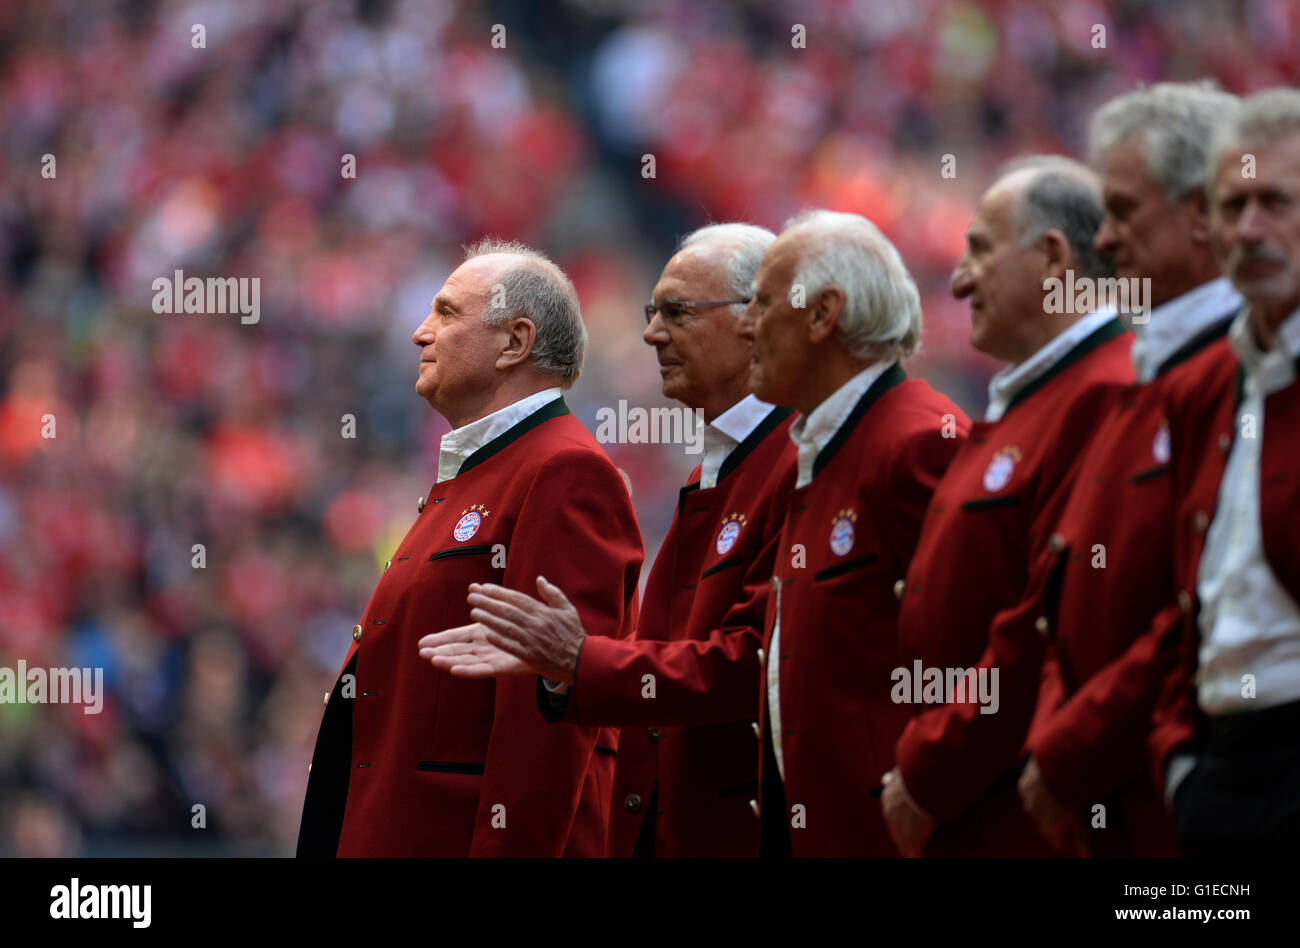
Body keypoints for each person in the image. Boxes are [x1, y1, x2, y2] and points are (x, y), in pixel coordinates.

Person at [419, 223, 798, 857]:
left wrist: (580, 663)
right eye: (652, 313)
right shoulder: (718, 468)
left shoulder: (794, 461)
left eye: (676, 312)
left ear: (755, 320)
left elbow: (752, 665)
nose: (652, 333)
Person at [296, 239, 643, 857]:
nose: (419, 333)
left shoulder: (564, 472)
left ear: (514, 343)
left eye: (447, 313)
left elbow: (546, 722)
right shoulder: (483, 470)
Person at [1013, 82, 1242, 857]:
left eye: (1124, 212)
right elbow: (1062, 593)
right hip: (1098, 803)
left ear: (1202, 214)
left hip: (1172, 806)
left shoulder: (1237, 371)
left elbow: (1197, 607)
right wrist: (1054, 743)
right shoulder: (1146, 372)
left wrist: (1068, 748)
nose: (1103, 241)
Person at [881, 157, 1133, 857]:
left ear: (1053, 256)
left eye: (981, 252)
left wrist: (931, 767)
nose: (959, 282)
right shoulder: (1037, 396)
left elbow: (1049, 617)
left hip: (1021, 817)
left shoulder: (1105, 392)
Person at [739, 210, 968, 856]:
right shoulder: (824, 446)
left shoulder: (919, 441)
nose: (744, 324)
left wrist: (923, 785)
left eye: (760, 303)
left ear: (822, 315)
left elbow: (975, 655)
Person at [1151, 88, 1300, 855]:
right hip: (1217, 775)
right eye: (1232, 202)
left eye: (1275, 201)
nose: (1249, 228)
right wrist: (1181, 763)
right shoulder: (1202, 385)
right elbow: (1188, 598)